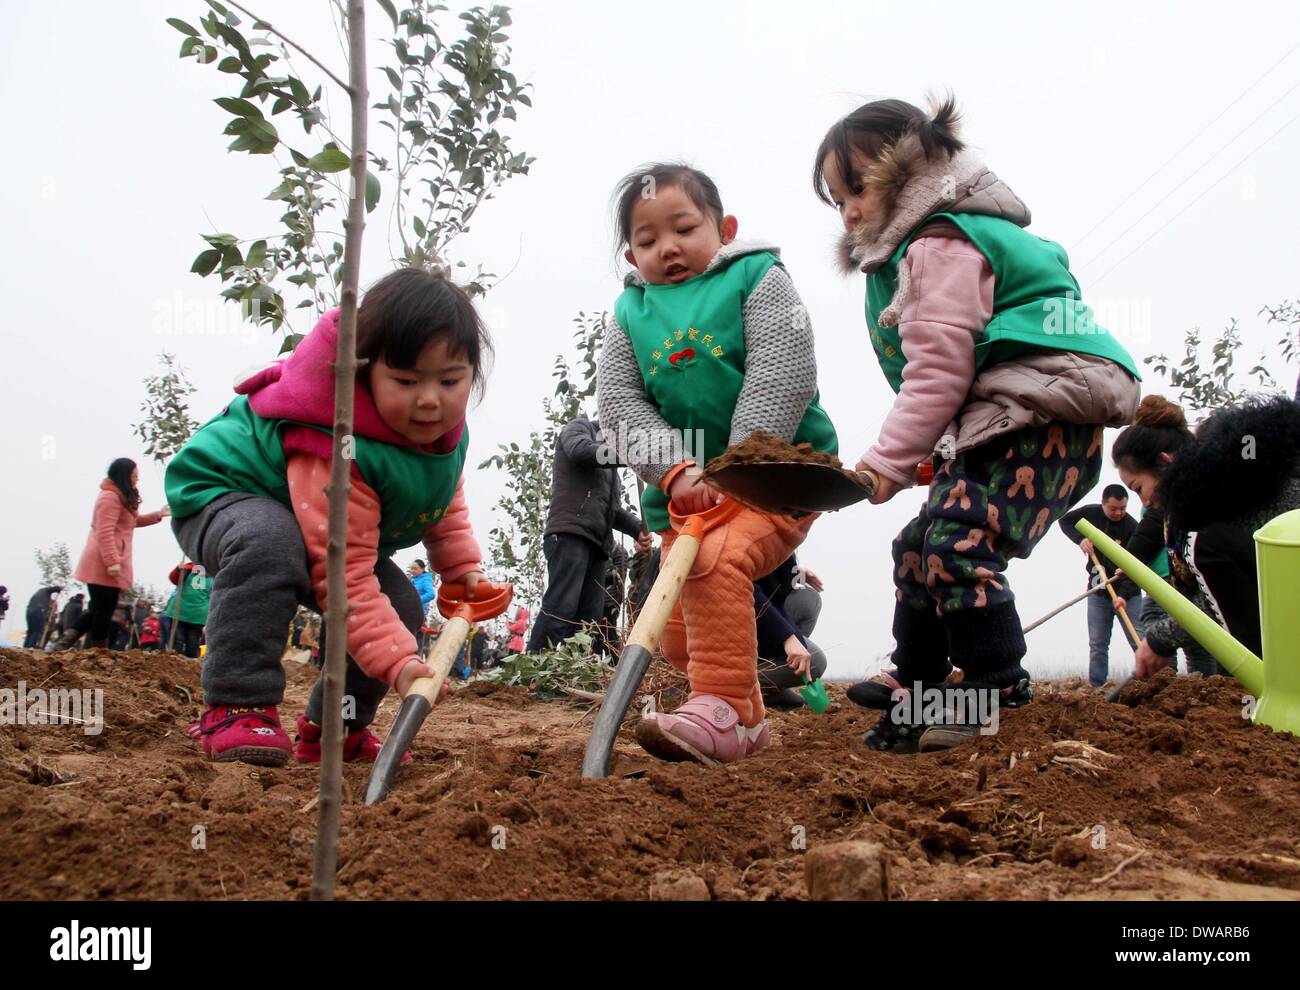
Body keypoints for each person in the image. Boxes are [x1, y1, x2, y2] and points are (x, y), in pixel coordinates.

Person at [815, 96, 1141, 752]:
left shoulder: (938, 242)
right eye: (834, 199)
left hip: (1047, 423)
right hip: (1004, 421)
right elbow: (956, 392)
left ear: (911, 169)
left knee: (957, 544)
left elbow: (938, 375)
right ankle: (919, 678)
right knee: (916, 546)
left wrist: (885, 463)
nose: (847, 210)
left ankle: (992, 686)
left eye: (856, 186)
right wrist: (926, 459)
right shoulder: (917, 249)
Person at [164, 267, 488, 766]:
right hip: (228, 493)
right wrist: (400, 664)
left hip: (313, 520)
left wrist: (462, 570)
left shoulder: (440, 432)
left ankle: (335, 730)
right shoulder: (340, 442)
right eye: (405, 380)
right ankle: (237, 703)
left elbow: (441, 495)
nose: (429, 399)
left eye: (449, 380)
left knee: (400, 603)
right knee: (268, 545)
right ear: (362, 371)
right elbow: (346, 578)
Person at [598, 162, 839, 765]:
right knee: (679, 628)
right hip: (687, 500)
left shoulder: (757, 277)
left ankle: (724, 707)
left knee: (712, 562)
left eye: (683, 228)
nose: (668, 248)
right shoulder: (630, 316)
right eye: (649, 240)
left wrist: (736, 467)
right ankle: (747, 719)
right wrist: (678, 471)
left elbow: (782, 371)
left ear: (725, 228)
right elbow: (620, 404)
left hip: (775, 479)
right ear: (632, 254)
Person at [1112, 395, 1300, 678]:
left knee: (1205, 547)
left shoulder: (1221, 495)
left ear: (1164, 463)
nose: (1144, 501)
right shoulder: (1195, 501)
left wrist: (1162, 639)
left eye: (1138, 487)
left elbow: (1220, 603)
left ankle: (1265, 683)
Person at [527, 416, 649, 652]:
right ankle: (534, 670)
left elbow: (611, 510)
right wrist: (627, 455)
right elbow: (580, 451)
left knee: (589, 622)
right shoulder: (580, 428)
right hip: (571, 533)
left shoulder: (611, 474)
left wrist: (637, 529)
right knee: (562, 608)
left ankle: (576, 673)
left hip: (598, 545)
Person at [52, 459, 169, 651]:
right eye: (134, 474)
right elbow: (104, 531)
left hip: (109, 560)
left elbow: (131, 521)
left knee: (99, 608)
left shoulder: (120, 498)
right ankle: (99, 652)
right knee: (104, 610)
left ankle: (62, 646)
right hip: (103, 561)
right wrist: (112, 561)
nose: (137, 478)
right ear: (125, 474)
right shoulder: (110, 497)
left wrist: (157, 515)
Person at [1057, 484, 1146, 686]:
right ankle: (1097, 687)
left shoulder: (1132, 527)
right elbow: (1064, 520)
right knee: (1098, 644)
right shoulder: (1091, 514)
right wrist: (1080, 539)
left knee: (1138, 639)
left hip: (1127, 594)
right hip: (1098, 589)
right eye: (1113, 508)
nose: (1118, 513)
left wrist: (1123, 595)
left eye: (1122, 508)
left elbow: (1136, 568)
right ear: (1103, 504)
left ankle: (1151, 681)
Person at [755, 556, 828, 709]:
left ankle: (773, 688)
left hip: (756, 613)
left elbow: (769, 585)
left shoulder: (777, 538)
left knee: (808, 598)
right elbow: (747, 589)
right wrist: (787, 637)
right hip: (728, 619)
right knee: (816, 663)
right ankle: (729, 684)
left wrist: (793, 571)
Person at [164, 562, 211, 659]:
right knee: (177, 642)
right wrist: (178, 570)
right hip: (179, 612)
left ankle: (189, 668)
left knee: (192, 643)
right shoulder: (188, 569)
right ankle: (173, 664)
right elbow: (174, 579)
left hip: (198, 617)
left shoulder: (213, 577)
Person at [408, 558, 435, 654]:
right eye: (411, 569)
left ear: (423, 569)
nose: (413, 571)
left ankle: (416, 660)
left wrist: (416, 601)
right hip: (410, 613)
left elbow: (431, 594)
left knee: (417, 641)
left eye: (415, 569)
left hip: (420, 613)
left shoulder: (425, 580)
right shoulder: (413, 580)